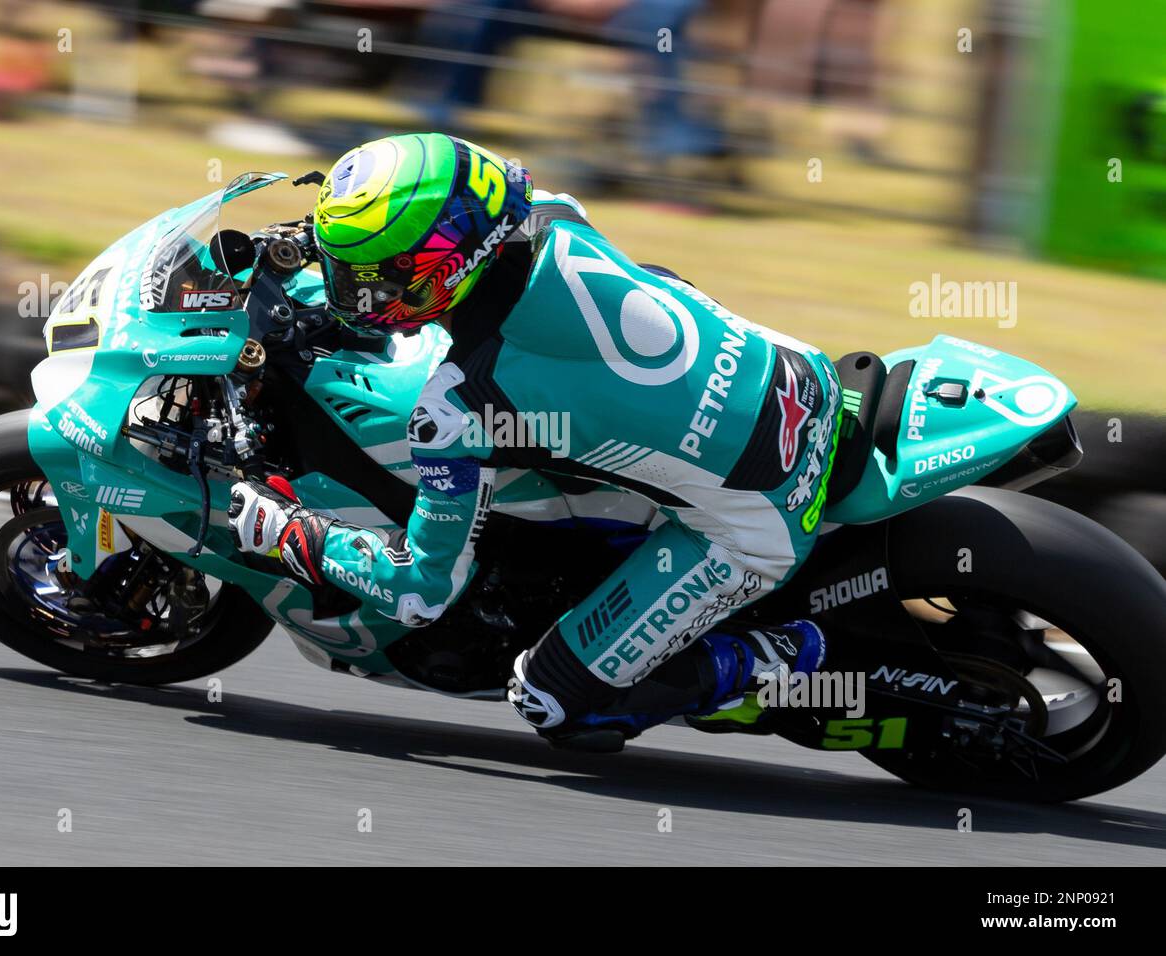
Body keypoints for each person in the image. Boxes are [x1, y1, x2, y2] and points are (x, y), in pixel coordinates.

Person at [228, 132, 834, 751]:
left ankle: (782, 657)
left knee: (551, 702)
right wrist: (311, 237)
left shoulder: (461, 406)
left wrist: (292, 534)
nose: (351, 287)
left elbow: (418, 593)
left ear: (442, 263)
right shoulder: (550, 213)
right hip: (803, 372)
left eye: (366, 274)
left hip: (756, 520)